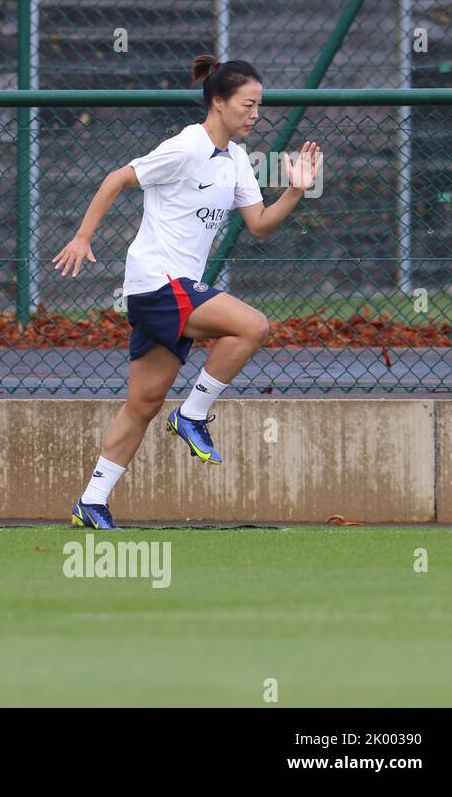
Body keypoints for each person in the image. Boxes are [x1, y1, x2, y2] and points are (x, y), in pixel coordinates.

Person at [52, 55, 322, 529]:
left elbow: (258, 225)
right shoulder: (185, 147)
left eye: (260, 105)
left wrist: (294, 191)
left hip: (171, 290)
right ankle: (193, 414)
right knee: (253, 326)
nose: (255, 114)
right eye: (248, 104)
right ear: (218, 102)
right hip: (158, 283)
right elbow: (118, 177)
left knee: (143, 404)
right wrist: (82, 236)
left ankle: (91, 502)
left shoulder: (236, 158)